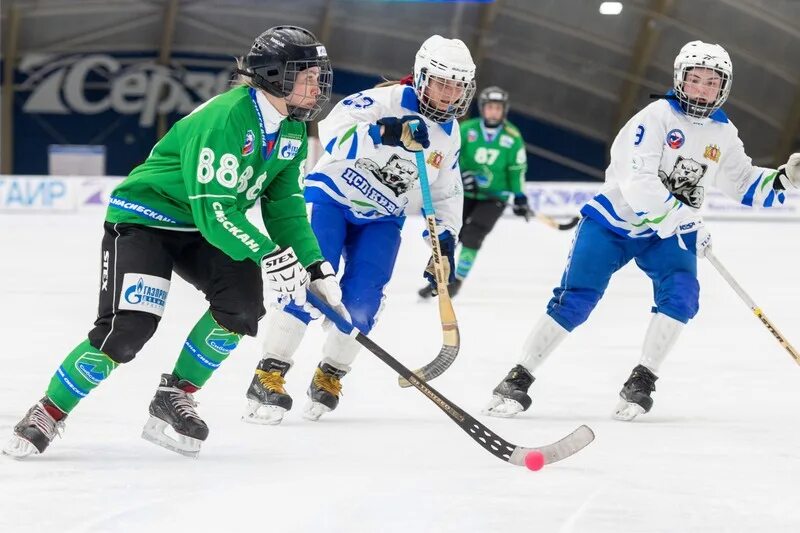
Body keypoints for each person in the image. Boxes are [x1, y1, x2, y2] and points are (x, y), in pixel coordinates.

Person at [3, 26, 341, 458]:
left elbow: (285, 208)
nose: (317, 86)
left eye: (318, 75)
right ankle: (48, 411)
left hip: (205, 226)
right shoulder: (228, 118)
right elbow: (216, 211)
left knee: (240, 308)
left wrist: (316, 267)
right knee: (128, 329)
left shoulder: (292, 131)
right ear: (274, 75)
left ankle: (174, 395)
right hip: (147, 220)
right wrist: (271, 256)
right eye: (306, 75)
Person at [483, 40, 800, 421]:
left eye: (711, 82)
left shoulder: (723, 133)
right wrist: (684, 221)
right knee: (576, 299)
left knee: (683, 294)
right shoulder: (655, 118)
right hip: (612, 224)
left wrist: (785, 180)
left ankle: (643, 379)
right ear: (680, 80)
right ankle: (519, 376)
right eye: (694, 79)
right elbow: (639, 183)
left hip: (665, 233)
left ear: (724, 87)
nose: (702, 89)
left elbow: (744, 183)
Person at [242, 34, 475, 425]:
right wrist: (384, 133)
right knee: (309, 284)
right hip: (331, 199)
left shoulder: (448, 136)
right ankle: (269, 374)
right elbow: (331, 131)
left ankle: (330, 374)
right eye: (441, 82)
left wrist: (446, 241)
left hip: (383, 218)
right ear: (421, 77)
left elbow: (447, 190)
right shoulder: (382, 101)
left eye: (457, 85)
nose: (449, 93)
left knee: (363, 303)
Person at [418, 85, 529, 299]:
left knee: (473, 236)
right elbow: (452, 159)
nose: (493, 112)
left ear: (504, 110)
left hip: (494, 198)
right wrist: (462, 175)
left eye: (498, 108)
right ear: (482, 108)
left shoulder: (513, 137)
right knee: (451, 234)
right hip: (465, 193)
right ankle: (438, 277)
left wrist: (520, 197)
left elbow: (517, 171)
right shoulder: (466, 129)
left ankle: (456, 282)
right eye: (490, 107)